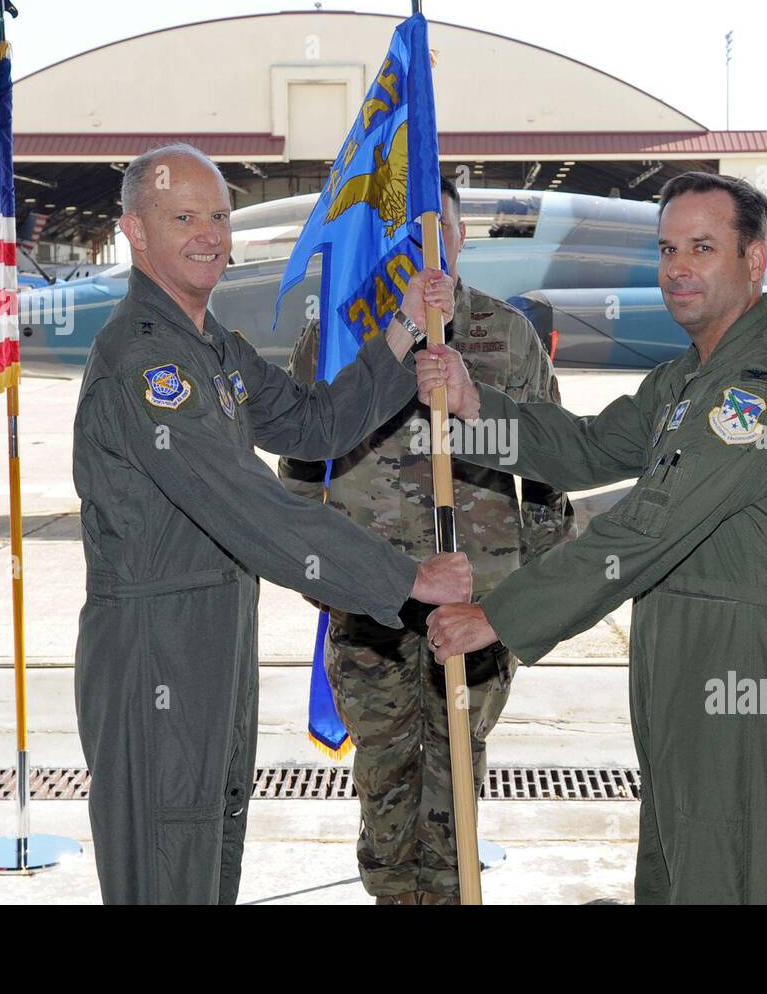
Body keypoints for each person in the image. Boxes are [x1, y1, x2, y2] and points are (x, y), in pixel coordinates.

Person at [417, 171, 767, 904]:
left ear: (754, 259)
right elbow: (583, 448)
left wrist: (499, 617)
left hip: (739, 668)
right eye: (668, 248)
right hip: (680, 655)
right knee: (675, 875)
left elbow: (646, 528)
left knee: (725, 877)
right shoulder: (685, 380)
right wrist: (474, 404)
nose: (677, 267)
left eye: (703, 247)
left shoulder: (758, 391)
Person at [73, 143, 470, 904]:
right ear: (135, 231)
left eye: (218, 216)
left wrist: (401, 332)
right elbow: (251, 505)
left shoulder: (211, 346)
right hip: (158, 648)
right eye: (182, 216)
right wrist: (404, 578)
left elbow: (313, 424)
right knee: (166, 862)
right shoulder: (144, 363)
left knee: (206, 846)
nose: (208, 234)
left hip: (216, 636)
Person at [279, 177, 576, 905]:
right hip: (373, 609)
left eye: (437, 228)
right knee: (385, 792)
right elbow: (295, 471)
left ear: (463, 233)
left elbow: (549, 473)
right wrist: (320, 575)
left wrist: (533, 603)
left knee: (455, 794)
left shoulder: (505, 336)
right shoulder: (341, 337)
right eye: (408, 233)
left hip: (474, 613)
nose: (424, 247)